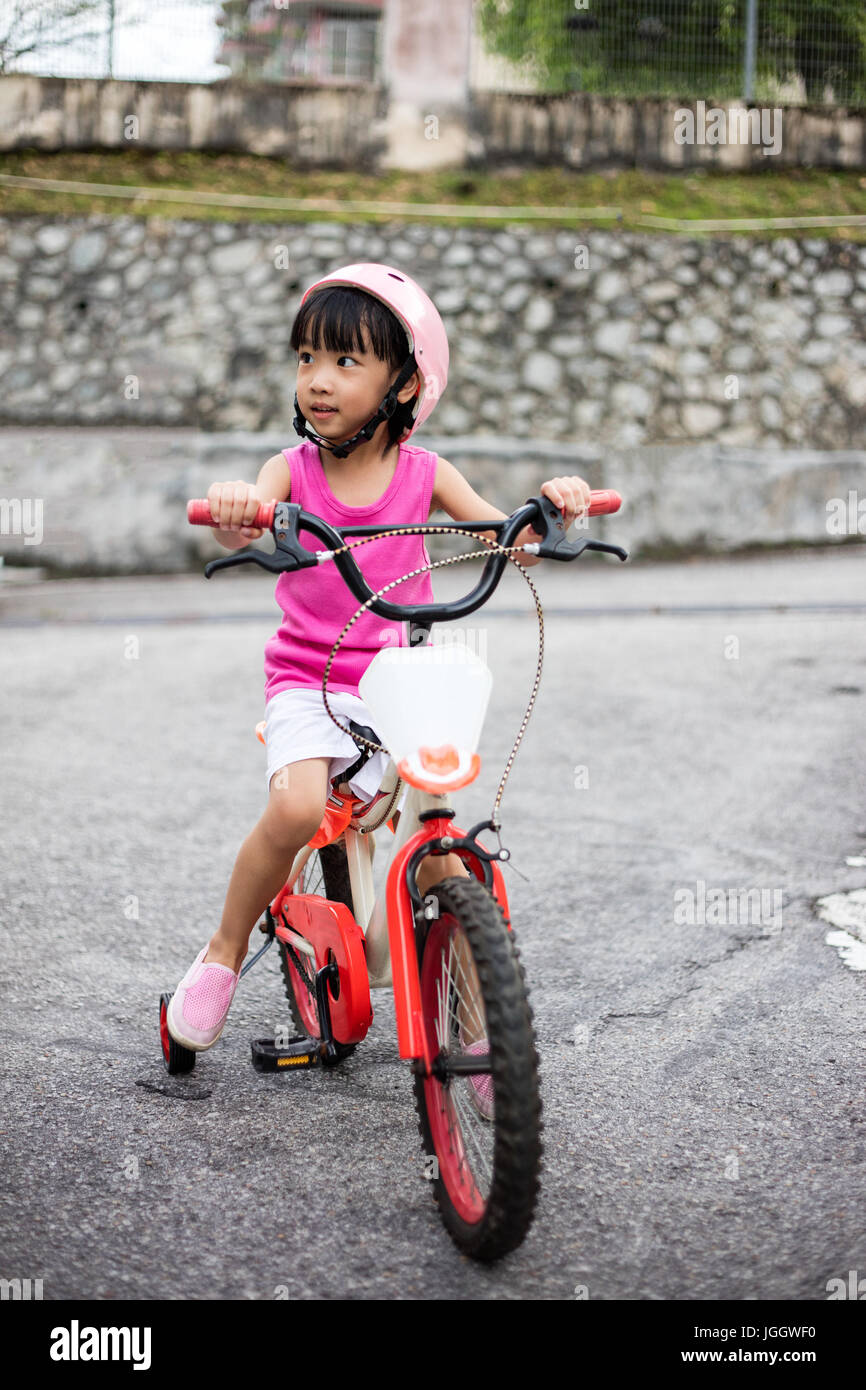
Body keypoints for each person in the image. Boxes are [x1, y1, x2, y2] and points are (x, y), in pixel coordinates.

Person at [167, 262, 592, 1055]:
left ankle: (478, 1018)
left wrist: (552, 506)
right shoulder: (289, 472)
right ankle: (223, 953)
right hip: (309, 681)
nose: (318, 380)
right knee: (297, 811)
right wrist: (236, 510)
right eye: (306, 359)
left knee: (438, 829)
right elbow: (244, 527)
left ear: (404, 385)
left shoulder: (427, 472)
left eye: (345, 361)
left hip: (392, 681)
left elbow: (509, 538)